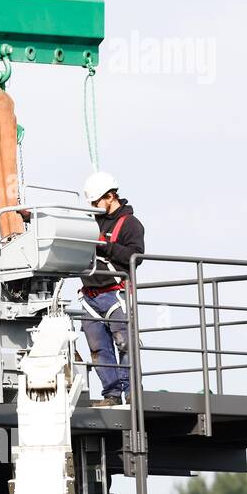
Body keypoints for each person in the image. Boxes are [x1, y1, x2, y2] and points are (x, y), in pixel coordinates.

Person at [78, 171, 145, 407]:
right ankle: (112, 394)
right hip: (91, 297)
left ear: (110, 196)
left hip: (115, 294)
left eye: (97, 202)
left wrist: (106, 246)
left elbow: (136, 257)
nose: (94, 207)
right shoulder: (91, 221)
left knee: (125, 344)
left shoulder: (131, 225)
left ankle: (132, 395)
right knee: (98, 349)